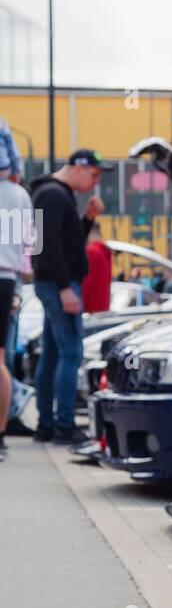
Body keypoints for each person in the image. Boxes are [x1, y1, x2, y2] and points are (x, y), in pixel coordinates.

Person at [30, 149, 104, 444]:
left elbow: (64, 243)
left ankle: (47, 425)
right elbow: (48, 245)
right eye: (94, 174)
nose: (96, 182)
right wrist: (64, 288)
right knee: (71, 353)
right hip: (58, 284)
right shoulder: (52, 194)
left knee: (51, 355)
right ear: (78, 167)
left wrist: (86, 219)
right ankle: (63, 426)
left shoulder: (55, 194)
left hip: (54, 282)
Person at [0, 135, 32, 459]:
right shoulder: (21, 195)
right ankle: (1, 434)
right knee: (1, 361)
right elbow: (30, 252)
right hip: (6, 279)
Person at [82, 220, 112, 312]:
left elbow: (86, 282)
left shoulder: (90, 251)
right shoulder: (105, 252)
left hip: (90, 310)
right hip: (102, 308)